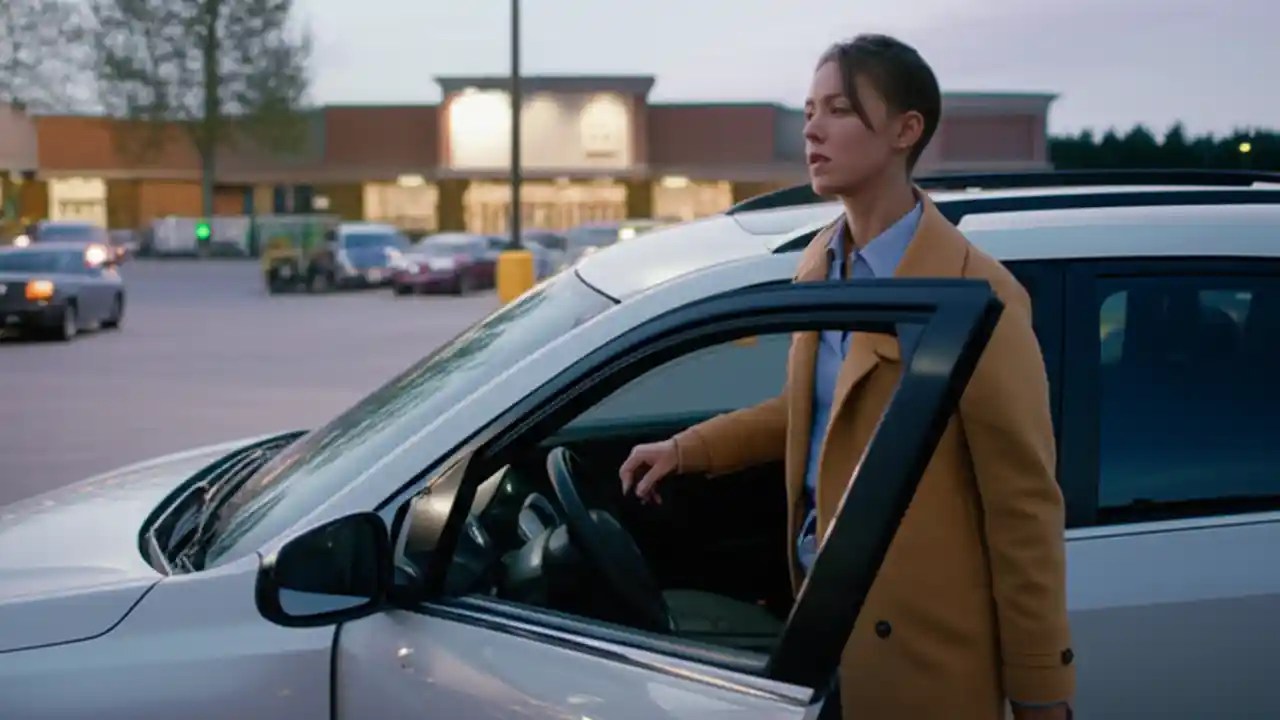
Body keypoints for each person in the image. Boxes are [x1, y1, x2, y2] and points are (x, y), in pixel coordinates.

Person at [618, 34, 1074, 720]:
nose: (811, 127)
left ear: (905, 129)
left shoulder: (977, 293)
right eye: (808, 110)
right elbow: (816, 413)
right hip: (823, 614)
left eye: (838, 109)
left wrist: (1041, 693)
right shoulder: (819, 263)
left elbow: (1023, 510)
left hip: (920, 651)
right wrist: (689, 449)